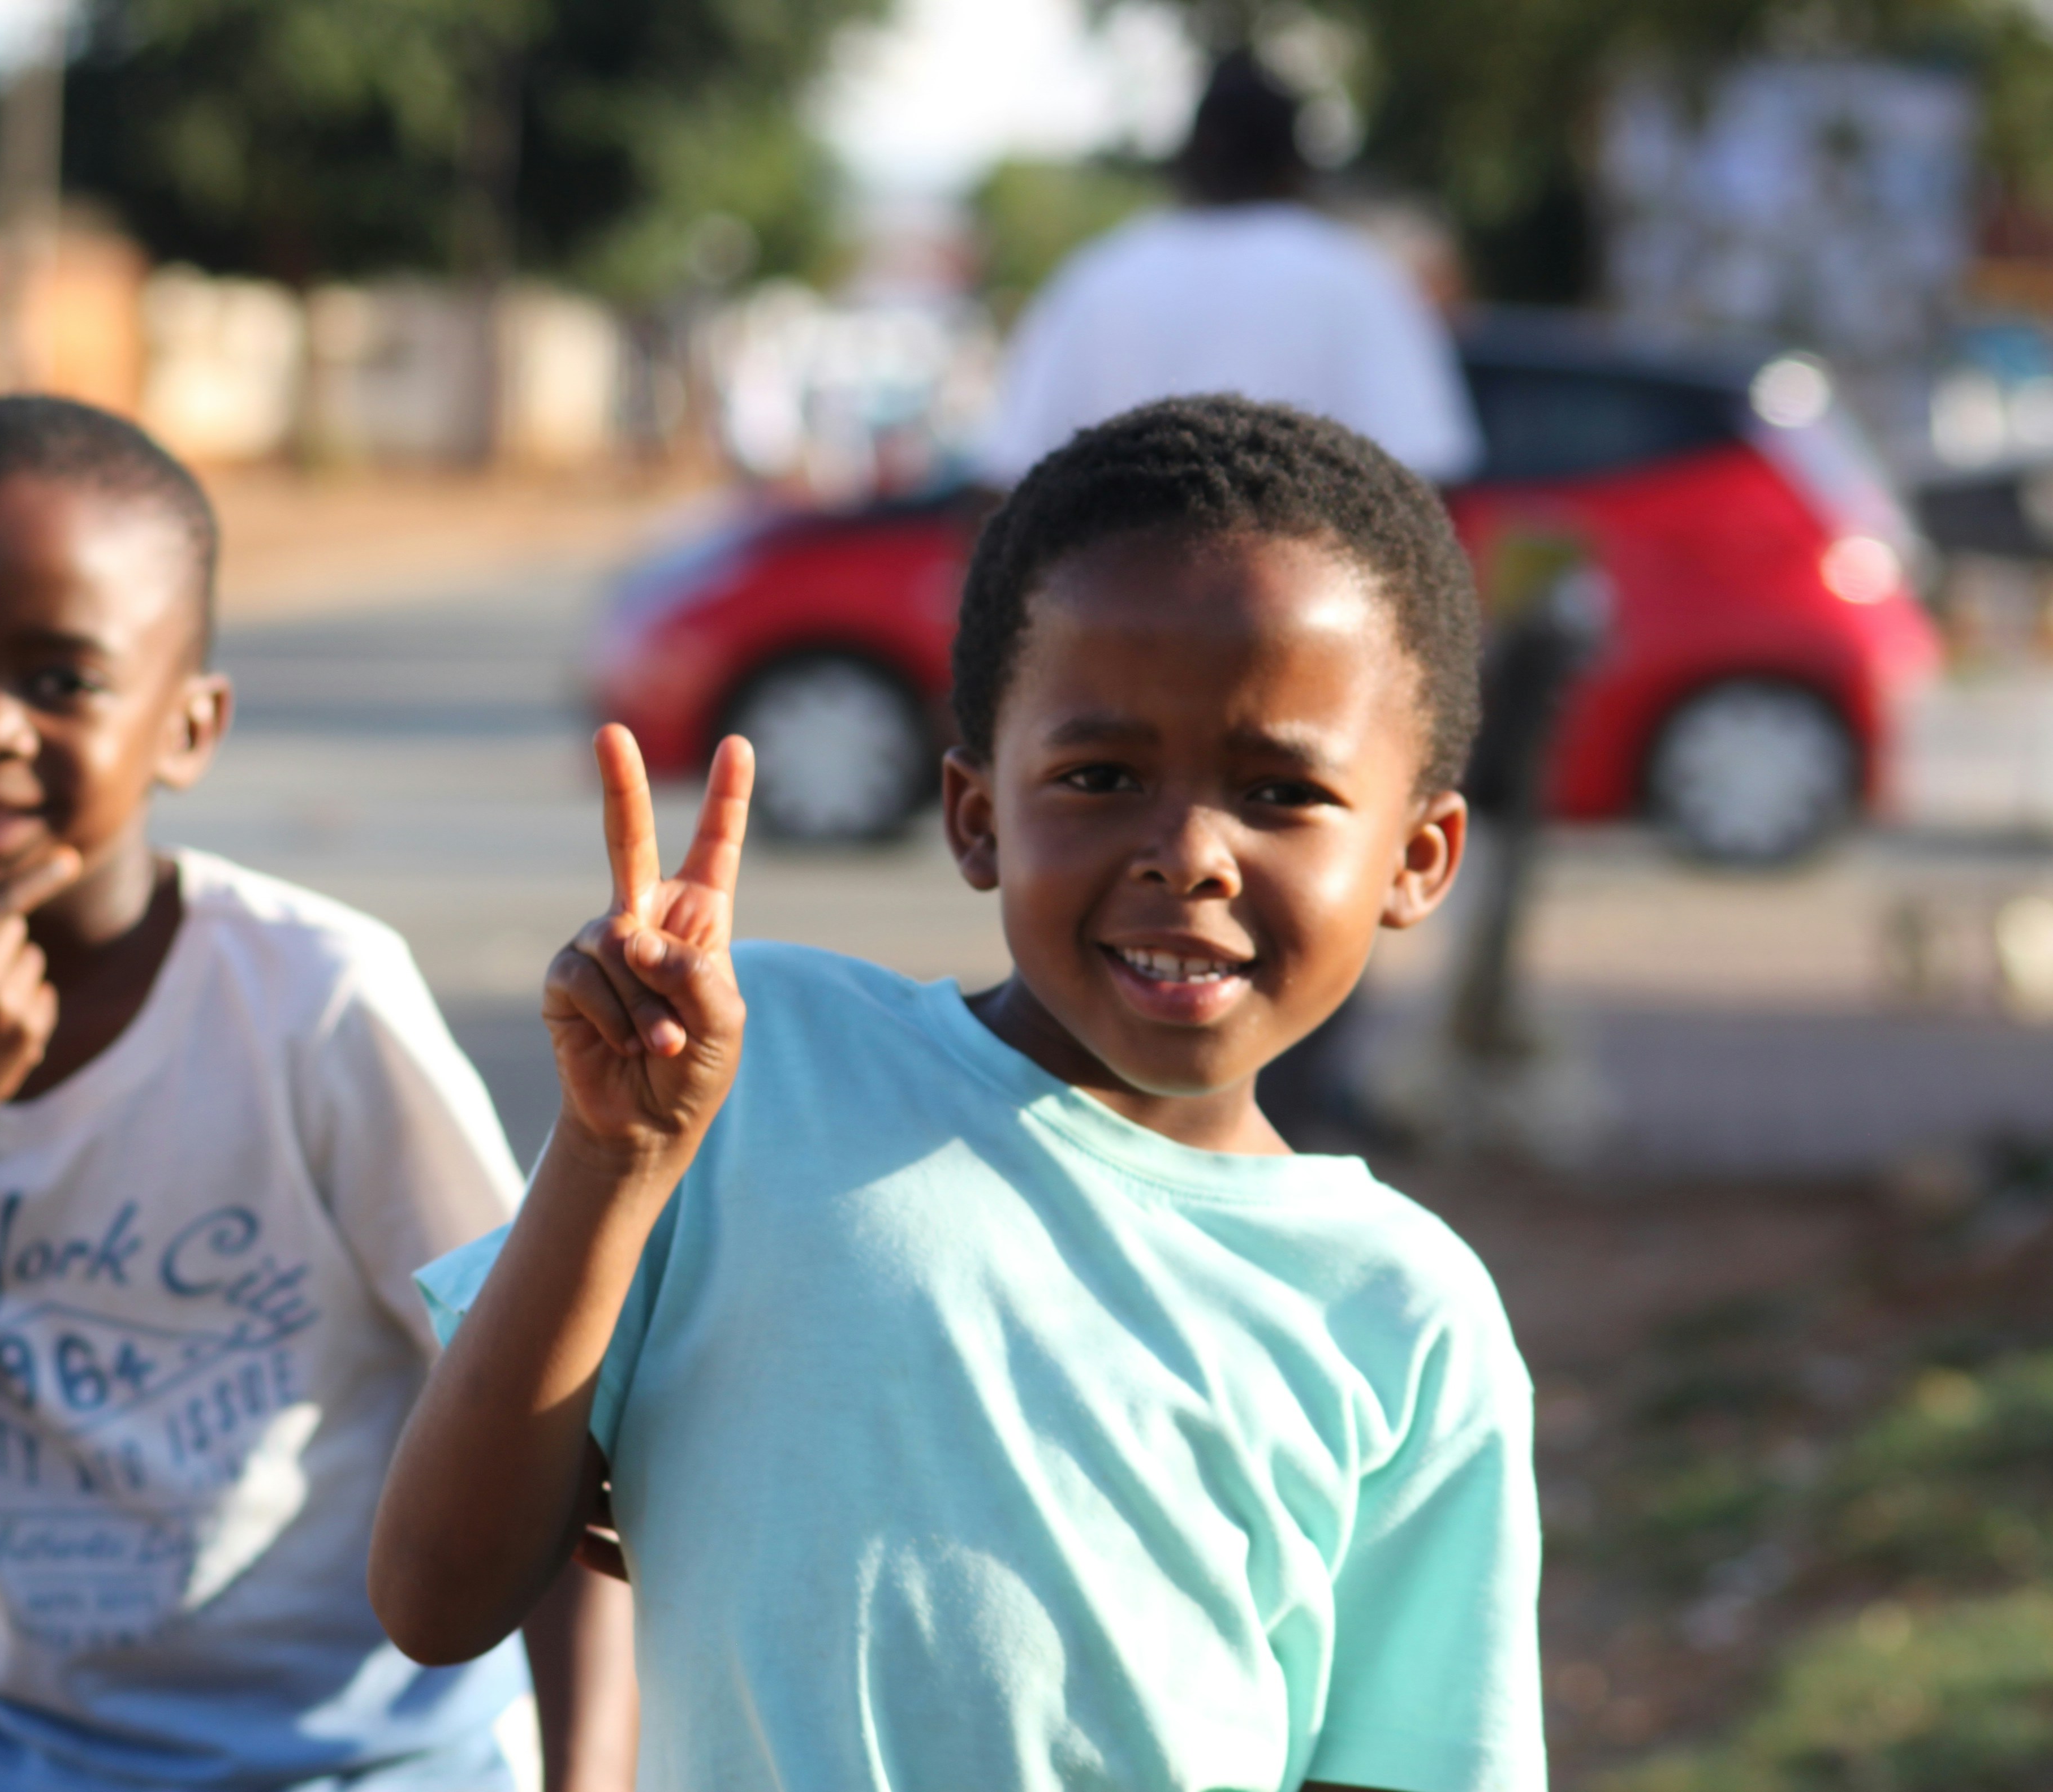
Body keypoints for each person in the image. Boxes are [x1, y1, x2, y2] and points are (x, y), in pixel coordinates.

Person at [370, 397, 1544, 1790]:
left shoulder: (1400, 1309)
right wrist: (610, 1157)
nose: (1186, 854)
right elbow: (436, 1600)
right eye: (1098, 775)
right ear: (975, 814)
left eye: (1279, 792)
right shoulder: (750, 1067)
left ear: (1419, 855)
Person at [0, 396, 635, 1792]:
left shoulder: (314, 999)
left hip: (376, 1763)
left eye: (62, 679)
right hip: (13, 1757)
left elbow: (547, 1421)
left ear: (189, 724)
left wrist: (586, 1779)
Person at [974, 51, 1480, 490]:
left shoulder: (1097, 277)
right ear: (1296, 167)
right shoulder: (1355, 277)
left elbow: (1005, 479)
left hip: (1116, 596)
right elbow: (1429, 474)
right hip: (1310, 596)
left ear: (1188, 161)